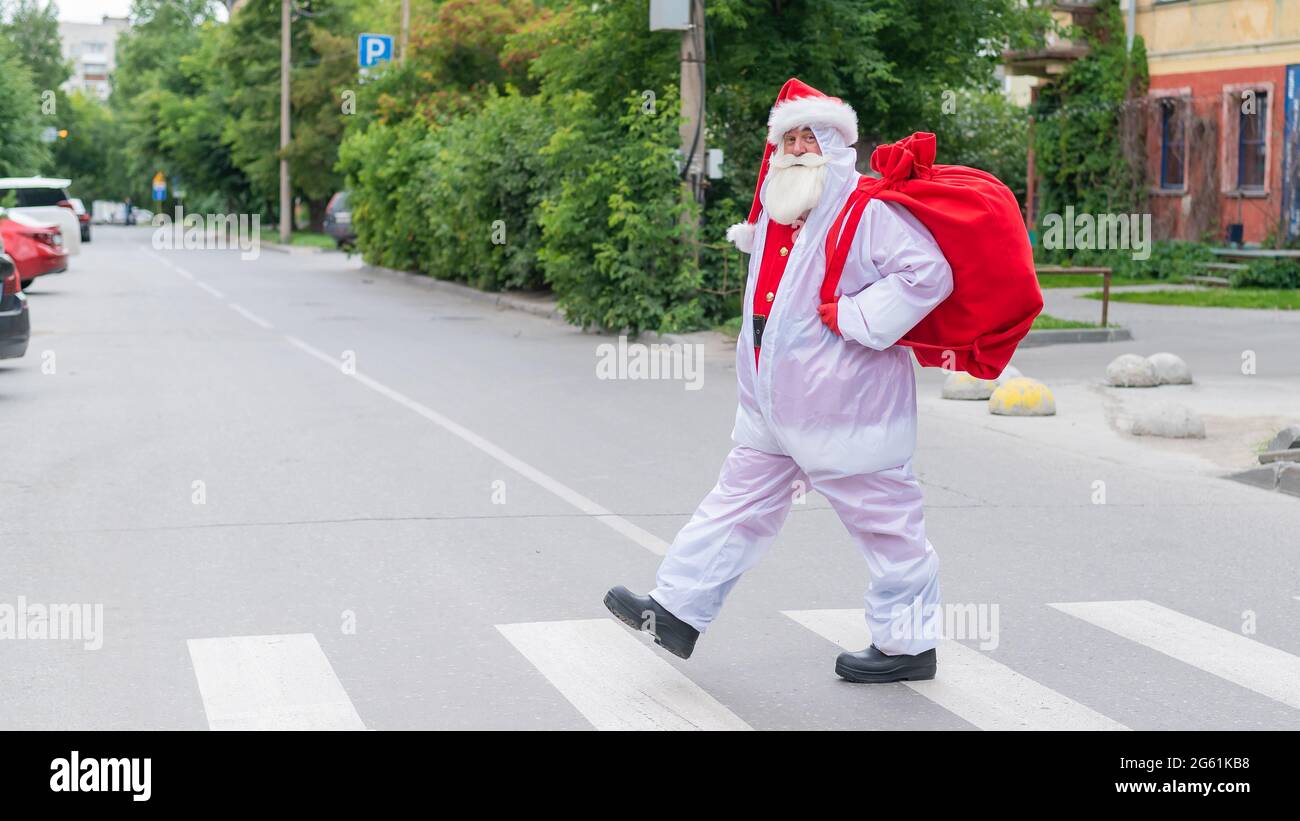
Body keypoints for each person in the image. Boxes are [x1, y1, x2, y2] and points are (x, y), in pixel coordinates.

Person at [604, 78, 953, 683]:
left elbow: (928, 274)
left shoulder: (867, 209)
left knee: (885, 524)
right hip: (773, 400)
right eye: (787, 138)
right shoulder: (778, 208)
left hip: (850, 405)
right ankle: (675, 611)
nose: (795, 148)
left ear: (832, 144)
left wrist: (856, 318)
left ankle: (909, 645)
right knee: (736, 503)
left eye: (806, 137)